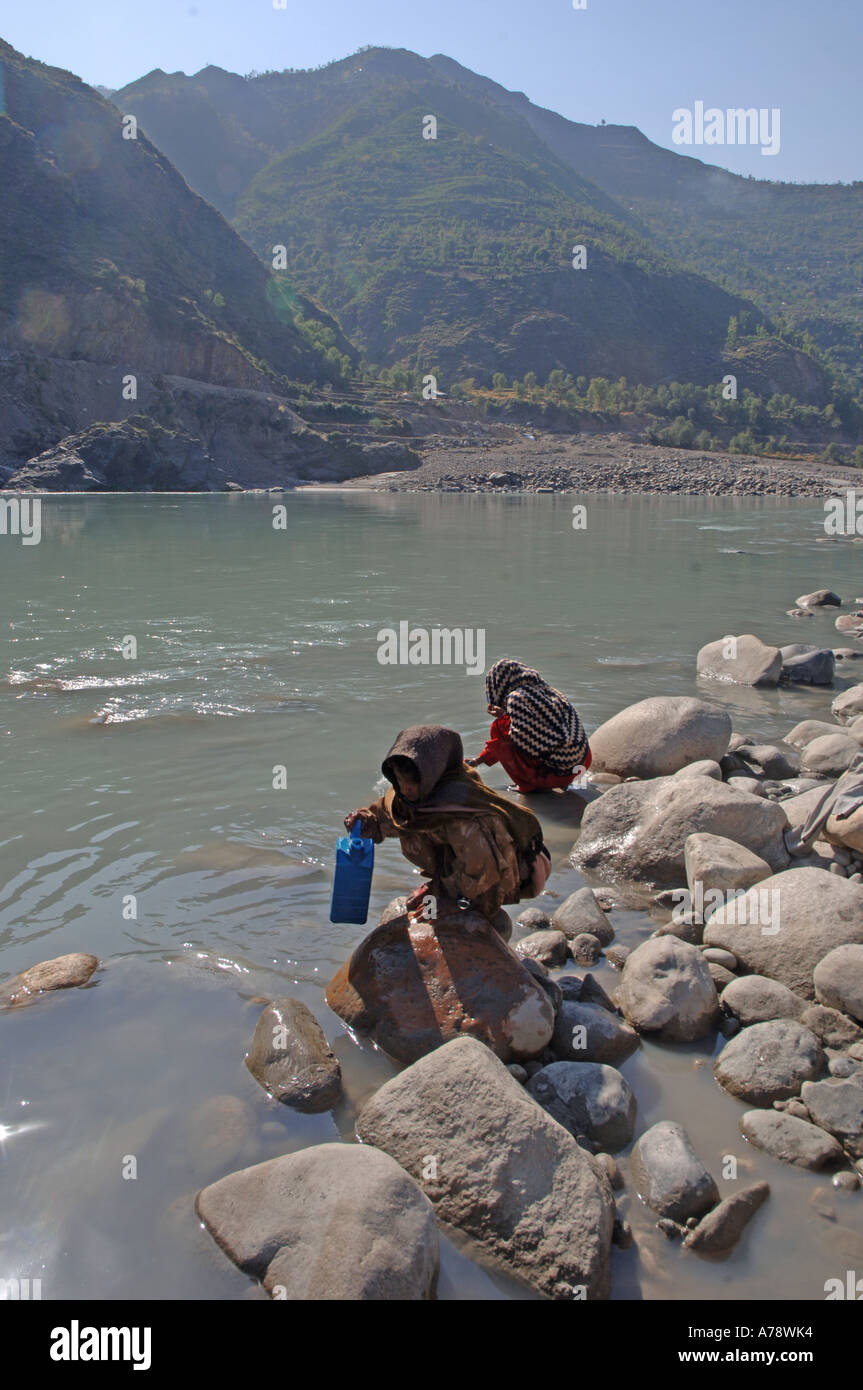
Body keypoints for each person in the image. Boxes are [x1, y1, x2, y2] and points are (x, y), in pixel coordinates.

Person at [344, 724, 550, 921]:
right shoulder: (409, 795)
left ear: (430, 774)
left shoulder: (462, 806)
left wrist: (449, 901)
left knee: (460, 835)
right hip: (472, 863)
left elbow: (488, 873)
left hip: (513, 872)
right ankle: (449, 885)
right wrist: (365, 821)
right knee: (407, 821)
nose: (405, 788)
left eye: (412, 781)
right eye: (399, 780)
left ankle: (461, 896)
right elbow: (386, 816)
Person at [468, 657, 591, 793]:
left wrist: (504, 718)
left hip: (556, 775)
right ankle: (563, 778)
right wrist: (478, 760)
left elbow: (523, 743)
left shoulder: (516, 698)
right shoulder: (550, 691)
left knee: (499, 726)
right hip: (581, 764)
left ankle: (527, 785)